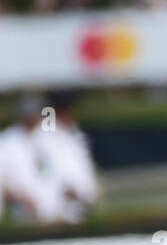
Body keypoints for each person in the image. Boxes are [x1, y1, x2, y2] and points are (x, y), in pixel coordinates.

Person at [33, 90, 99, 224]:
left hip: (81, 213)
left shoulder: (73, 132)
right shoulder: (45, 135)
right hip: (57, 217)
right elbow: (47, 176)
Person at [0, 94, 59, 225]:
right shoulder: (6, 142)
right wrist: (20, 197)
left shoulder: (49, 138)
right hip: (22, 220)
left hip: (55, 217)